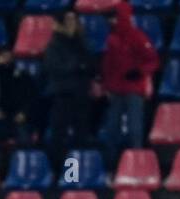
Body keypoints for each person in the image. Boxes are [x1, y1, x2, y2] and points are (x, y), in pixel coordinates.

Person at [101, 1, 159, 164]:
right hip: (116, 89)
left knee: (135, 129)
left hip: (134, 88)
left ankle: (137, 164)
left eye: (114, 17)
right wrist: (106, 86)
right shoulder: (111, 40)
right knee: (112, 128)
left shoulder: (137, 37)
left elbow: (152, 60)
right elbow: (108, 66)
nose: (111, 21)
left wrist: (140, 72)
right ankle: (111, 165)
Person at [43, 12, 94, 166]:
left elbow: (90, 66)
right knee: (59, 134)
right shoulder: (53, 45)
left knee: (81, 134)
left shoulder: (82, 43)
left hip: (81, 94)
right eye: (68, 20)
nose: (72, 24)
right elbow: (55, 67)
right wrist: (77, 66)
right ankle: (59, 169)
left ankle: (77, 172)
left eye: (74, 20)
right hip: (62, 94)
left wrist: (79, 66)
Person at [0, 48, 33, 150]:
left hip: (18, 120)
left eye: (9, 56)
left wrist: (24, 113)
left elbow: (31, 99)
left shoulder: (23, 77)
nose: (6, 60)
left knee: (25, 139)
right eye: (3, 57)